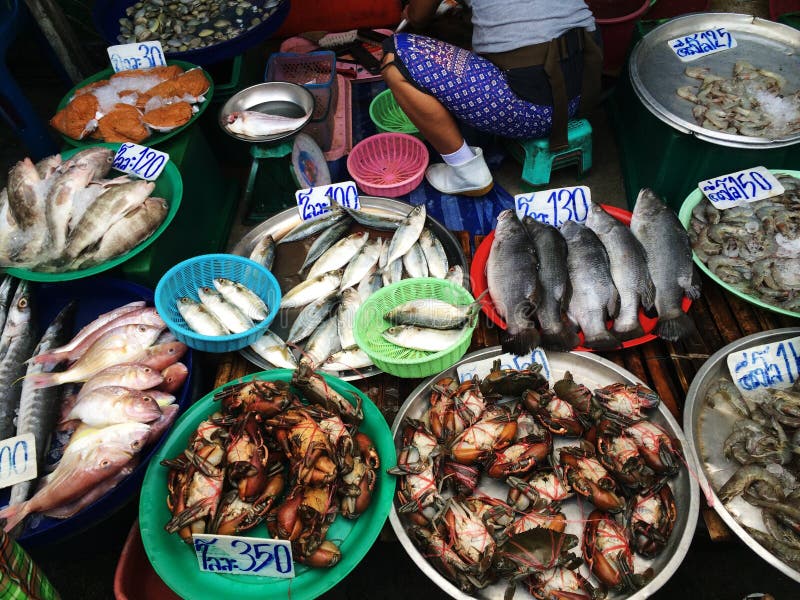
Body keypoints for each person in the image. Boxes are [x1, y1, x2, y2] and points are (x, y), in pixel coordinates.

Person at [381, 0, 603, 196]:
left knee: (396, 57)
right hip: (582, 89)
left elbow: (419, 16)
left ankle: (466, 172)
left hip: (534, 112)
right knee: (466, 20)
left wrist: (410, 13)